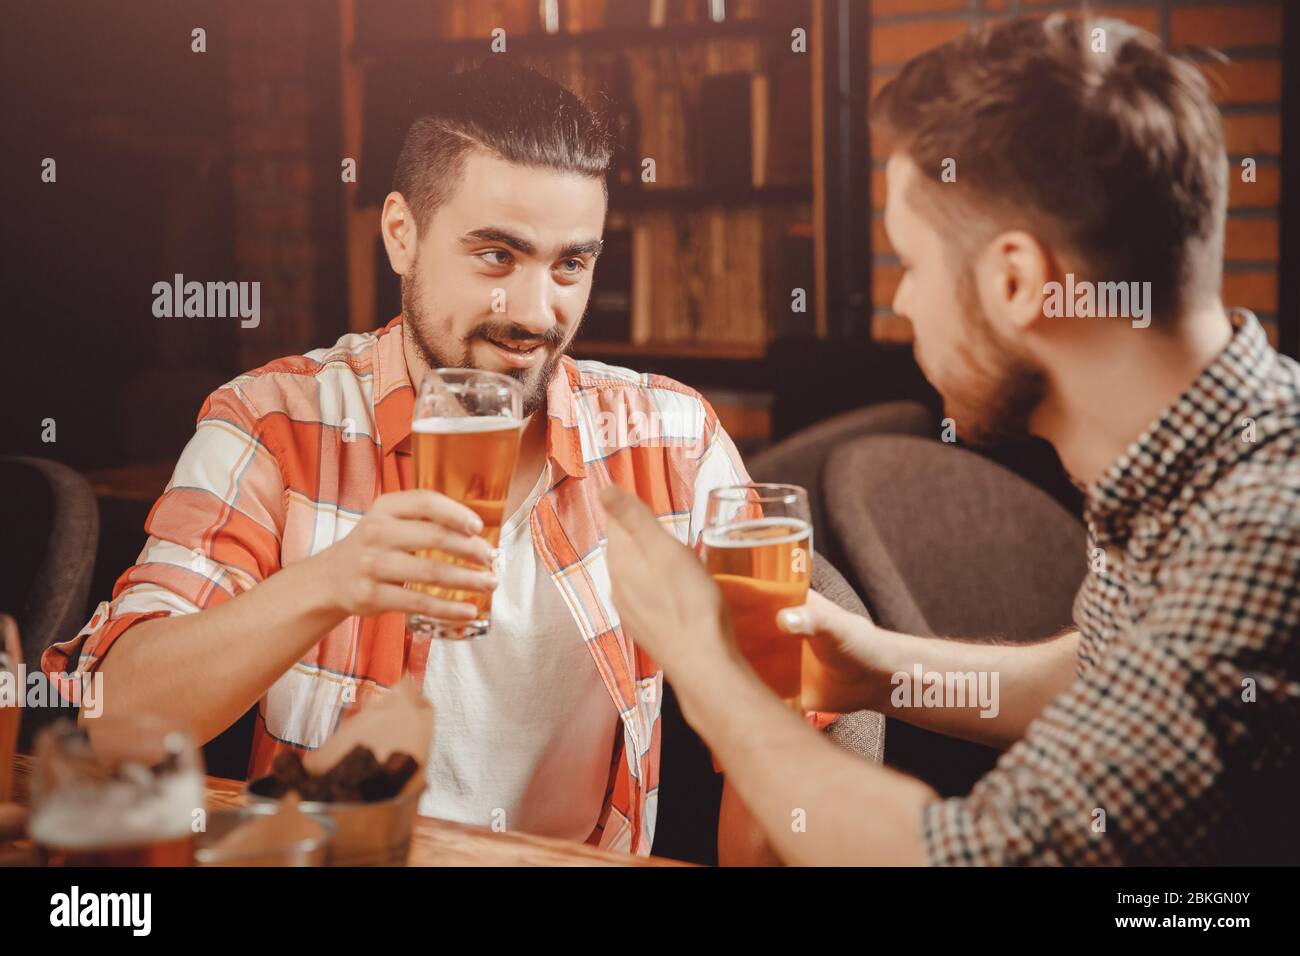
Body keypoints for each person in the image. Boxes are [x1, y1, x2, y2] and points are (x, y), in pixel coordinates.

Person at [601, 14, 1300, 865]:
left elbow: (961, 857)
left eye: (912, 265)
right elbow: (1120, 679)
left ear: (1015, 280)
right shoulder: (1187, 459)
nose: (903, 307)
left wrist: (703, 672)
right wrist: (882, 673)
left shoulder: (1266, 535)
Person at [43, 62, 769, 856]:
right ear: (401, 234)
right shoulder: (274, 421)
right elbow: (114, 720)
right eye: (496, 255)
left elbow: (781, 725)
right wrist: (331, 583)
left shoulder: (672, 437)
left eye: (570, 264)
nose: (533, 314)